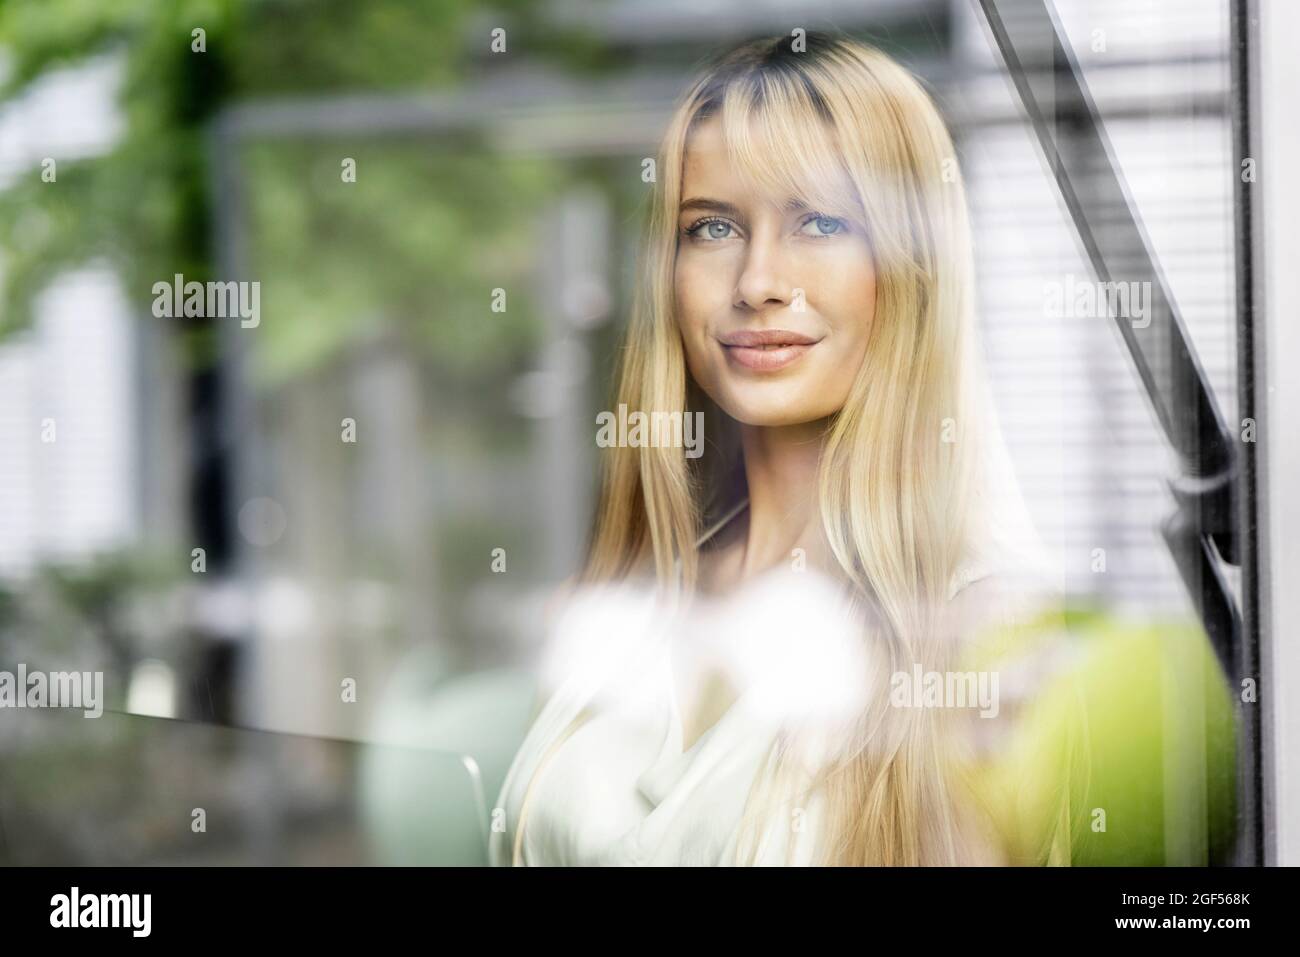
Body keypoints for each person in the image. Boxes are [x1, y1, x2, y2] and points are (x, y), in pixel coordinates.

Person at [489, 31, 1069, 867]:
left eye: (822, 220)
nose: (759, 280)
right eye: (714, 226)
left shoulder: (984, 633)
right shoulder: (639, 594)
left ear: (915, 266)